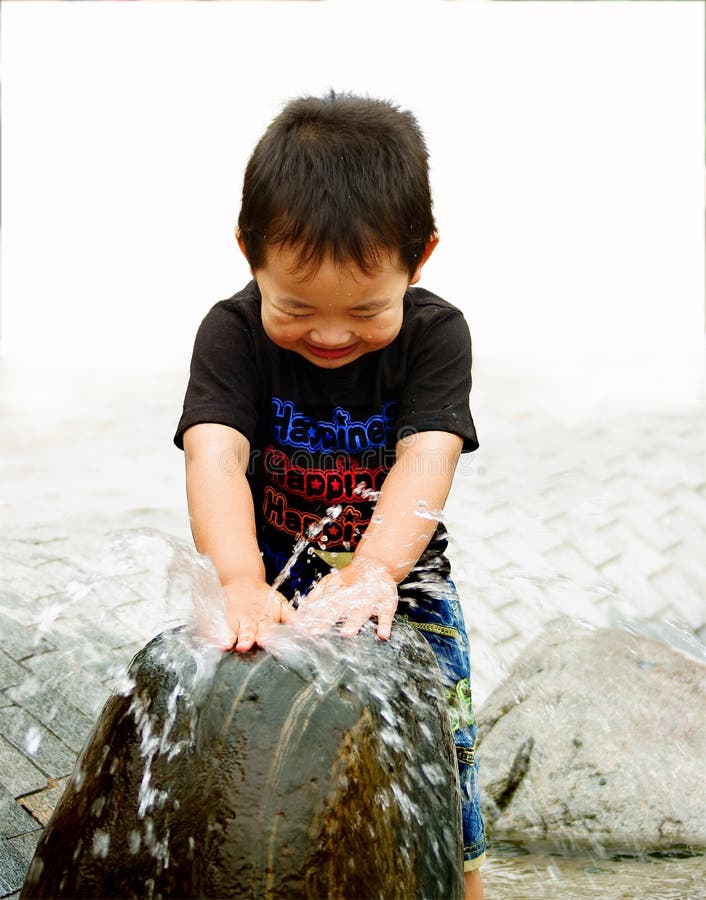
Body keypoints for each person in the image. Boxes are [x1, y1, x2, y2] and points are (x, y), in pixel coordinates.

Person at [173, 90, 487, 899]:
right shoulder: (230, 333)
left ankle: (465, 874)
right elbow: (214, 453)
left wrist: (377, 567)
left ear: (421, 259)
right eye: (299, 308)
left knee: (444, 746)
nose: (333, 335)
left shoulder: (437, 334)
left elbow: (427, 456)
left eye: (366, 311)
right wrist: (239, 580)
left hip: (399, 578)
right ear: (249, 252)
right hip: (269, 570)